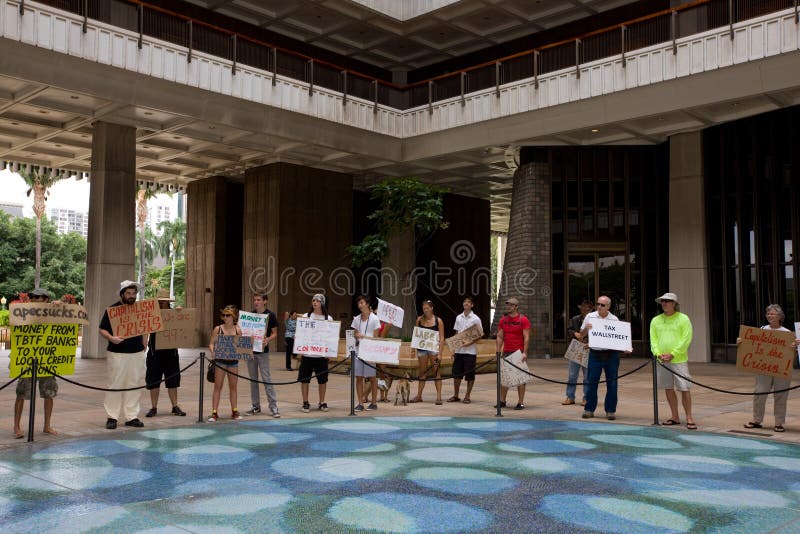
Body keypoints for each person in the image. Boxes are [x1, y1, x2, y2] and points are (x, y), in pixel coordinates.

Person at [741, 304, 799, 432]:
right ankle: (757, 420)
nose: (769, 316)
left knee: (781, 395)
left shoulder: (787, 334)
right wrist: (742, 341)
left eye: (772, 313)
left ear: (780, 316)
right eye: (768, 313)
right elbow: (752, 346)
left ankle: (779, 423)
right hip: (763, 368)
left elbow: (792, 357)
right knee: (759, 393)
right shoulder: (762, 330)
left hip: (781, 369)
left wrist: (795, 348)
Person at [98, 280, 147, 430]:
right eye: (128, 293)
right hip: (117, 352)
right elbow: (102, 329)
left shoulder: (140, 309)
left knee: (134, 383)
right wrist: (111, 338)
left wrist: (144, 343)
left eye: (134, 293)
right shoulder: (113, 310)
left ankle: (131, 416)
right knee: (115, 384)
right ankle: (112, 416)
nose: (132, 296)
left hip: (137, 352)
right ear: (122, 294)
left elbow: (146, 327)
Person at [12, 288, 60, 438]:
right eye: (32, 297)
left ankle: (47, 426)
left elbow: (68, 320)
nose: (33, 299)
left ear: (46, 299)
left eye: (37, 298)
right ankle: (16, 426)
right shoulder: (24, 311)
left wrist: (60, 305)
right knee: (21, 394)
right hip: (27, 360)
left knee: (49, 394)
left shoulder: (53, 312)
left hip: (47, 359)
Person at [650, 292, 697, 430]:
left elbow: (686, 339)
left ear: (674, 304)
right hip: (662, 360)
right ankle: (674, 416)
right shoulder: (655, 320)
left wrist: (673, 354)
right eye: (663, 301)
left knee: (684, 388)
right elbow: (653, 340)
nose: (664, 303)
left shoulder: (683, 319)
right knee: (668, 388)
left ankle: (689, 417)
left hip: (679, 360)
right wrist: (658, 354)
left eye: (668, 301)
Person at [578, 295, 624, 420]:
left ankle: (610, 410)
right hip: (595, 354)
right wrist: (586, 329)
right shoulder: (590, 316)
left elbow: (618, 338)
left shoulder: (614, 319)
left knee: (612, 383)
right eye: (597, 304)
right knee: (591, 382)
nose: (599, 307)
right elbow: (581, 335)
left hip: (611, 355)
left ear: (608, 306)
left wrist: (625, 346)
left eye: (602, 305)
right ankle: (589, 409)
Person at [144, 291, 186, 418]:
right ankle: (153, 407)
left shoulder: (175, 314)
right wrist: (143, 344)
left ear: (168, 302)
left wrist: (181, 313)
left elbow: (184, 327)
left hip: (171, 353)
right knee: (153, 381)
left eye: (164, 301)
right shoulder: (151, 315)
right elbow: (145, 330)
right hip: (154, 353)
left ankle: (175, 406)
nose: (162, 303)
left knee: (173, 380)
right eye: (160, 301)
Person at [245, 293, 280, 418]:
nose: (256, 302)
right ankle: (255, 406)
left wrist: (268, 339)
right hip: (250, 351)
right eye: (255, 300)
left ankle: (273, 406)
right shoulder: (250, 315)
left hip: (263, 351)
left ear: (265, 301)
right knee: (253, 380)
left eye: (258, 300)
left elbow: (275, 333)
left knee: (266, 379)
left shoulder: (271, 315)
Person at [298, 294, 334, 413]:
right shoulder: (306, 316)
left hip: (321, 355)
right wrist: (300, 349)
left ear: (322, 303)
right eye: (313, 300)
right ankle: (305, 402)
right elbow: (301, 334)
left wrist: (329, 351)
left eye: (317, 301)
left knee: (322, 380)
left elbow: (331, 337)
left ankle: (322, 402)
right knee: (305, 379)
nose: (315, 302)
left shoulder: (328, 318)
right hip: (307, 354)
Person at [208, 305, 244, 422]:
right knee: (217, 387)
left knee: (233, 387)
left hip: (233, 362)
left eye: (227, 315)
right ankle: (214, 412)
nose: (225, 317)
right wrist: (213, 351)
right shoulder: (218, 329)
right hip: (220, 362)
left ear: (233, 317)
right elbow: (211, 343)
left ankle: (234, 411)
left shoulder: (238, 330)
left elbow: (241, 345)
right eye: (223, 315)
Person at [496, 297, 531, 410]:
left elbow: (526, 337)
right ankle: (502, 401)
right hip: (506, 351)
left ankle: (520, 402)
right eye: (508, 305)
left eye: (511, 305)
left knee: (520, 378)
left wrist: (525, 352)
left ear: (516, 307)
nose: (509, 307)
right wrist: (498, 351)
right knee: (505, 377)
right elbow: (500, 336)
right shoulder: (503, 320)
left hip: (518, 352)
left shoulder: (523, 320)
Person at [410, 300, 445, 405]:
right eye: (424, 308)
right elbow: (416, 334)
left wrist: (440, 353)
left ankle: (439, 397)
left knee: (436, 371)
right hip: (422, 349)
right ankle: (419, 395)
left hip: (433, 348)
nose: (425, 310)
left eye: (427, 308)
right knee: (422, 372)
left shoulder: (438, 321)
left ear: (432, 308)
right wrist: (413, 348)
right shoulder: (419, 319)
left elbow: (442, 338)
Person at [449, 297, 482, 404]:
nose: (466, 303)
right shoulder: (458, 317)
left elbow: (479, 335)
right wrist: (453, 349)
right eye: (464, 302)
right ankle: (456, 395)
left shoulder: (476, 319)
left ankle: (467, 396)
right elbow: (456, 333)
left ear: (472, 305)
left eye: (468, 302)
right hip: (459, 351)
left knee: (470, 375)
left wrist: (470, 343)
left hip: (470, 352)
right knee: (456, 374)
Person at [351, 294, 382, 412]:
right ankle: (360, 403)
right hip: (359, 351)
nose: (360, 305)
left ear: (367, 304)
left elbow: (376, 337)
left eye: (362, 303)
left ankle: (373, 403)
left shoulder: (374, 319)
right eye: (358, 303)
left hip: (370, 351)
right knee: (359, 377)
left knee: (372, 377)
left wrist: (365, 337)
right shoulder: (356, 319)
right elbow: (354, 333)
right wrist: (357, 334)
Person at [563, 299, 593, 406]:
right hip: (576, 348)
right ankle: (570, 397)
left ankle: (586, 398)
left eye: (587, 309)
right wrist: (574, 333)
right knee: (572, 375)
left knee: (587, 376)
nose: (585, 310)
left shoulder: (594, 320)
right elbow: (568, 330)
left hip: (588, 348)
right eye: (583, 308)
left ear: (591, 309)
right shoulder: (575, 319)